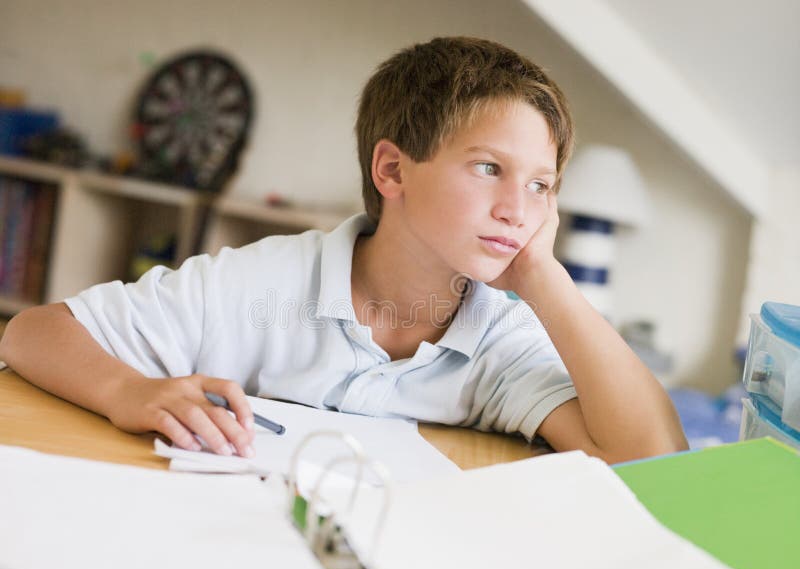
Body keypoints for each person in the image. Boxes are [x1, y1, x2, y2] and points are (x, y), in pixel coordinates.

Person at [0, 37, 687, 463]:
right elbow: (32, 333)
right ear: (392, 172)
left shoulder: (501, 341)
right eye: (488, 168)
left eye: (542, 185)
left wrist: (543, 273)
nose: (519, 207)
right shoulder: (263, 284)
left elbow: (652, 455)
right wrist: (130, 389)